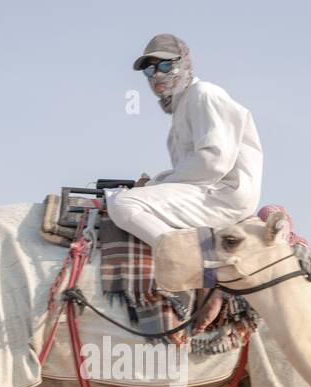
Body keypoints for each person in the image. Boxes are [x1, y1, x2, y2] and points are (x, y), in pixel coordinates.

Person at [107, 34, 263, 250]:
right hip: (208, 192)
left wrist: (154, 185)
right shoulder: (179, 116)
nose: (158, 75)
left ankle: (185, 257)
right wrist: (155, 182)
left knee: (124, 203)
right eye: (150, 70)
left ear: (184, 63)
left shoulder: (204, 94)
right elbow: (191, 173)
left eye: (164, 65)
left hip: (223, 195)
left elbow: (212, 162)